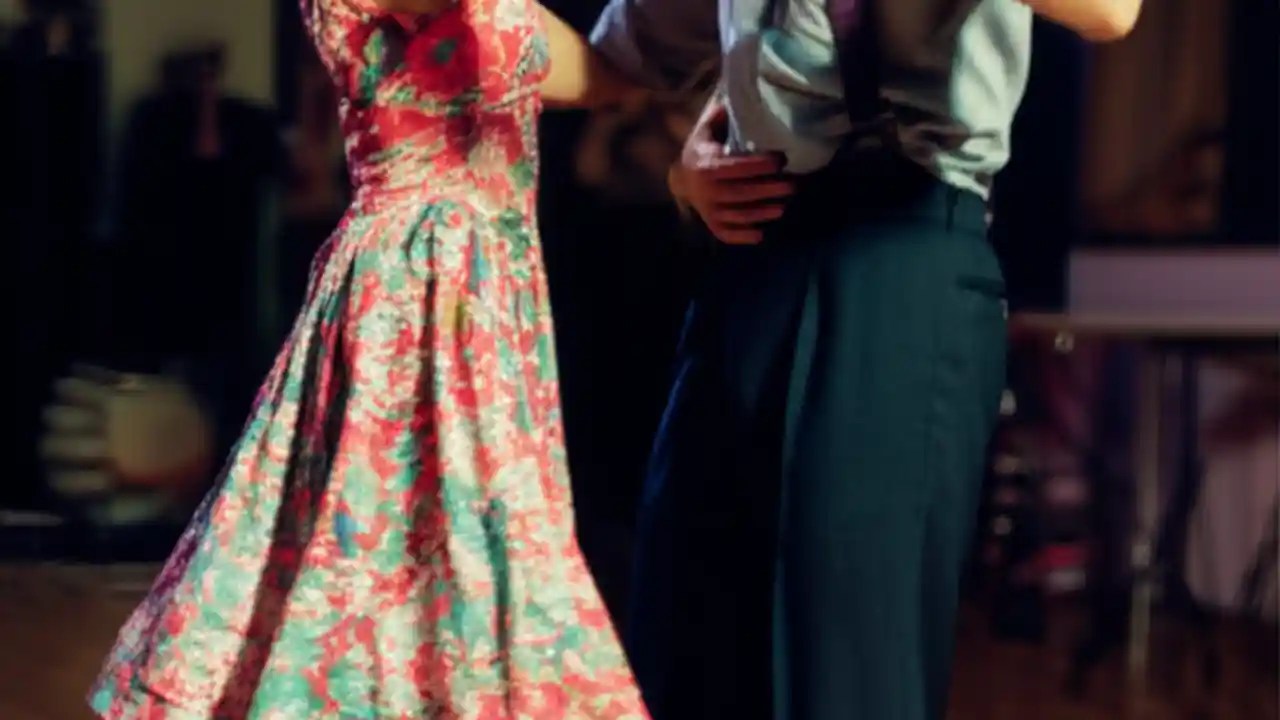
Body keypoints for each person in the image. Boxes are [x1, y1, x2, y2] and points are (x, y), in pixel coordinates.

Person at [88, 0, 651, 717]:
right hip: (419, 287)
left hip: (476, 289)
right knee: (389, 526)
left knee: (459, 530)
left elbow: (609, 76)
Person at [588, 0, 1141, 718]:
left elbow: (1112, 11)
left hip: (901, 250)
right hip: (749, 263)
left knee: (847, 663)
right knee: (689, 635)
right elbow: (618, 56)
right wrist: (685, 169)